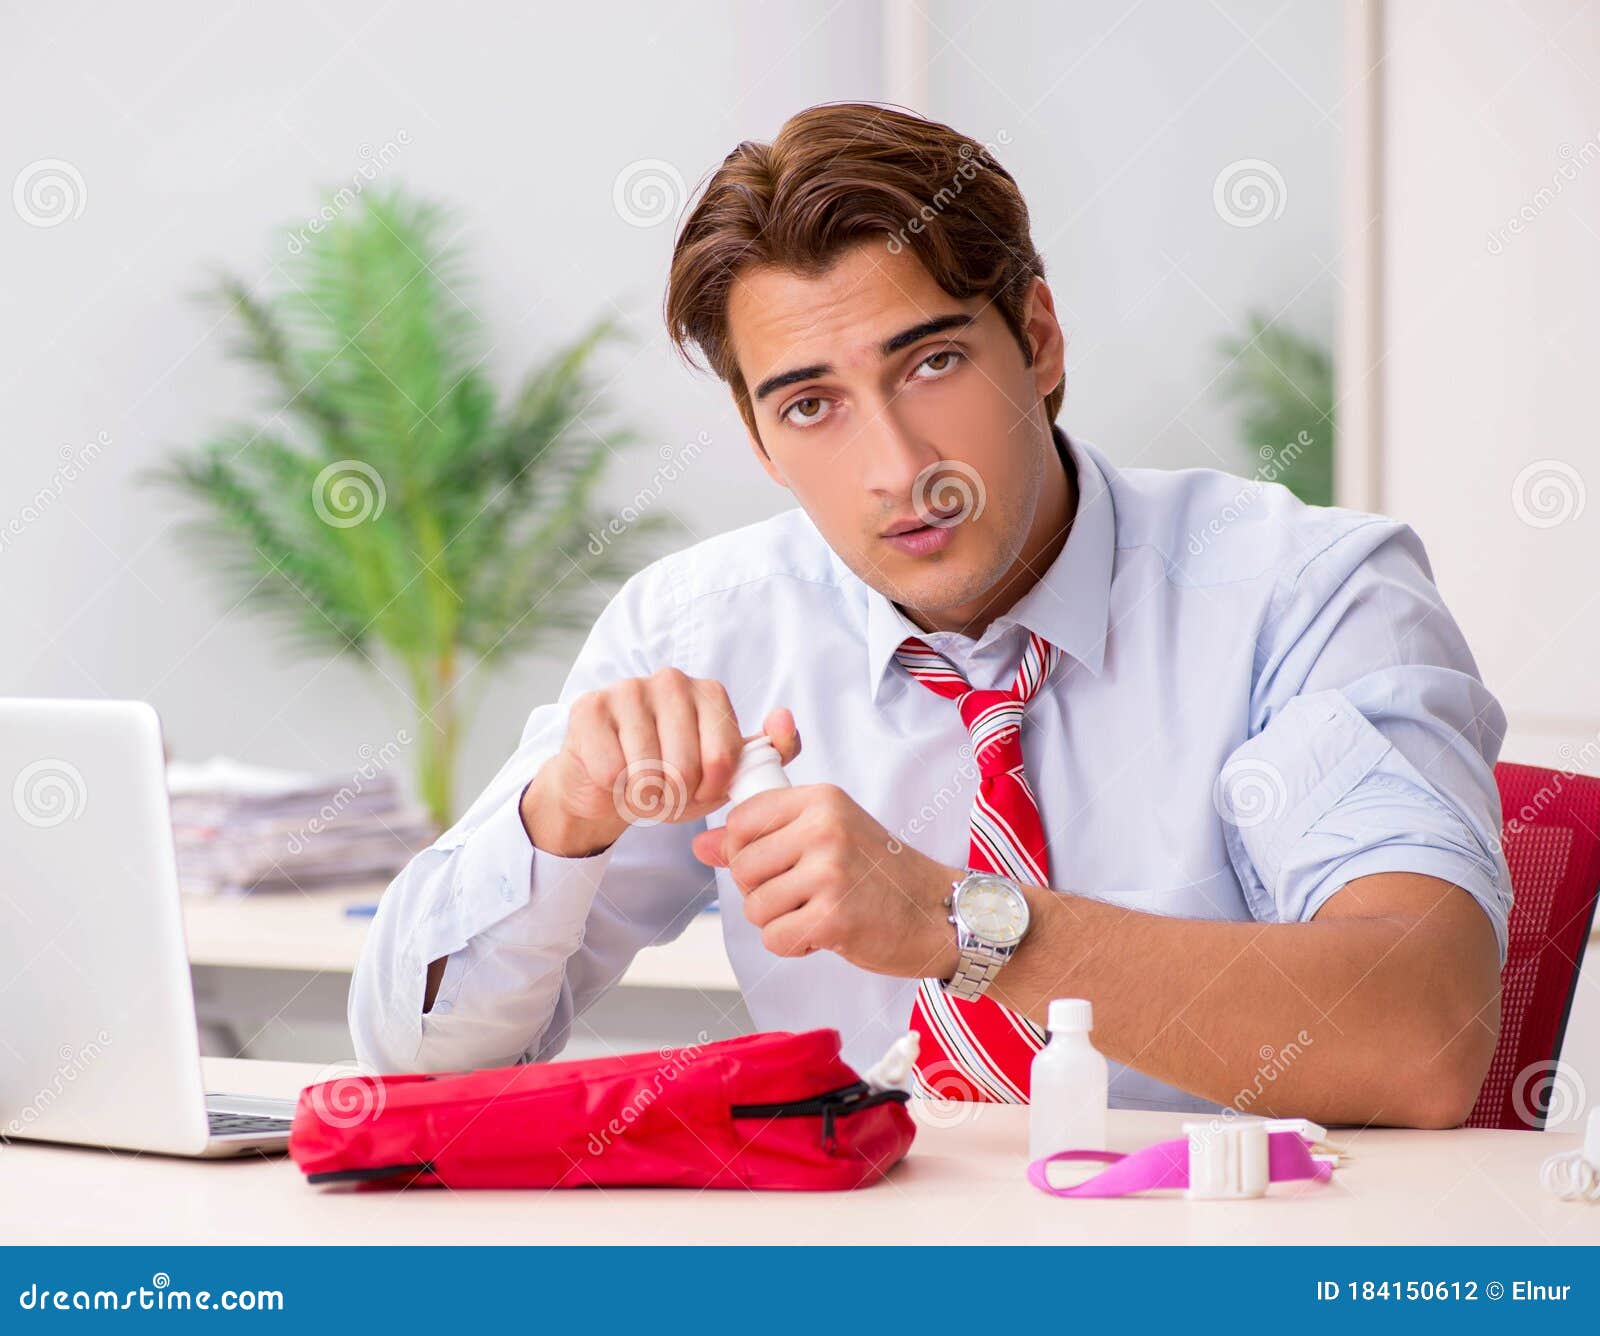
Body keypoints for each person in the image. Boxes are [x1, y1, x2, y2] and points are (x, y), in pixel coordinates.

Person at [350, 103, 1509, 1127]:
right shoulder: (700, 631)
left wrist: (962, 923)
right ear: (761, 444)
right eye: (812, 405)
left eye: (932, 361)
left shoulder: (1302, 595)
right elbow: (415, 1067)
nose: (896, 466)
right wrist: (560, 820)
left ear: (1039, 341)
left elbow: (1423, 1041)